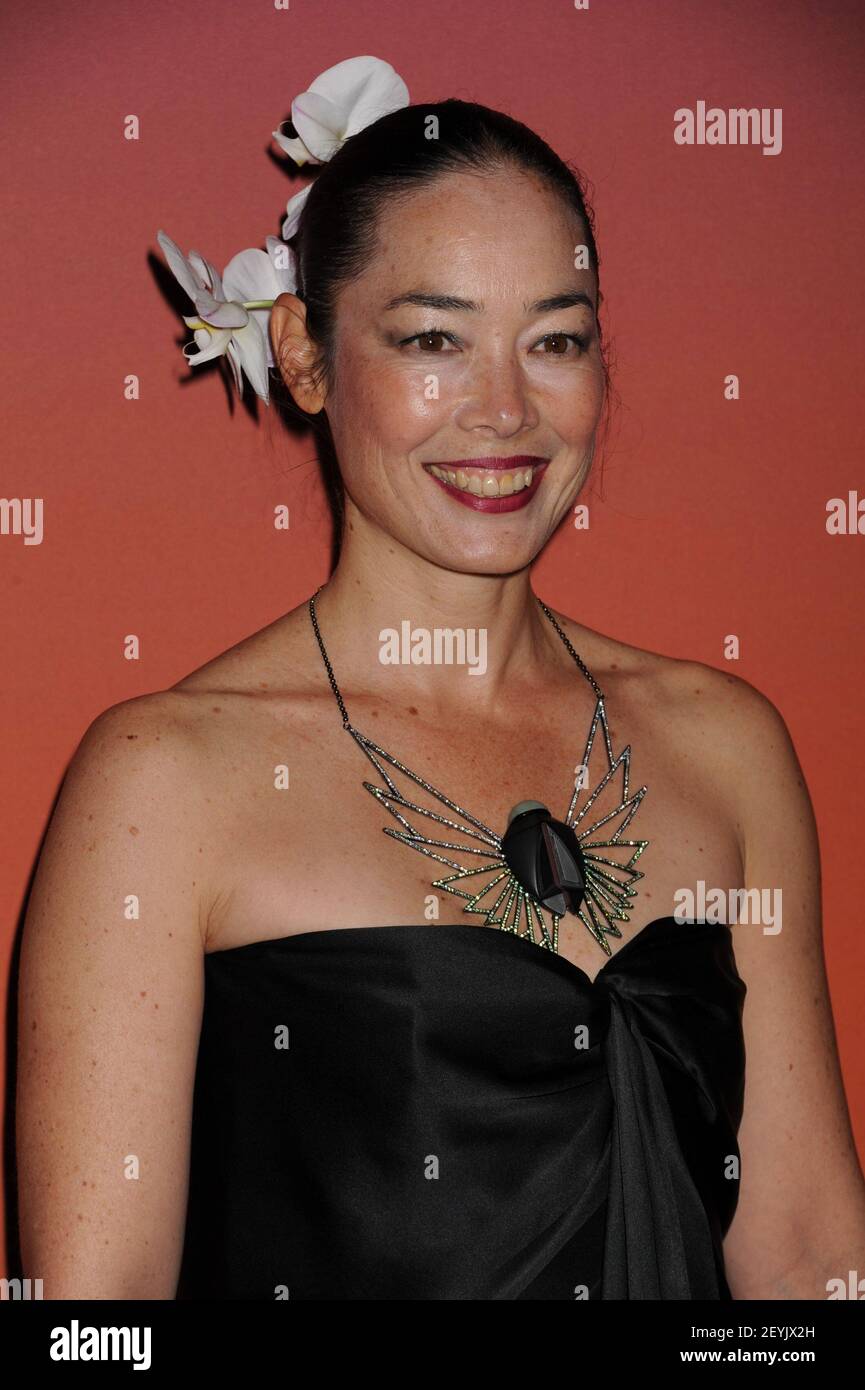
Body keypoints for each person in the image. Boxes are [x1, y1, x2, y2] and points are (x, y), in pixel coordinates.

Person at [16, 58, 865, 1301]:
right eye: (432, 339)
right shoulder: (162, 779)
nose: (506, 409)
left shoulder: (725, 743)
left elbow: (805, 1262)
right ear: (306, 356)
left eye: (557, 340)